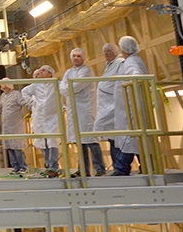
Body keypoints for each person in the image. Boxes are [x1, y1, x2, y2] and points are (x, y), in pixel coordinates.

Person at [60, 48, 105, 176]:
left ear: (83, 58)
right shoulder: (68, 72)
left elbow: (75, 87)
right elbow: (62, 88)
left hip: (85, 110)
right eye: (74, 56)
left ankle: (100, 169)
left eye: (78, 56)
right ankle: (83, 170)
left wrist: (66, 89)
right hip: (73, 110)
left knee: (91, 140)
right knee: (79, 142)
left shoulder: (87, 71)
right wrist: (67, 89)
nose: (76, 58)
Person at [110, 35, 147, 176]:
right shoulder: (131, 61)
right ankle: (146, 166)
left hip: (130, 108)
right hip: (128, 108)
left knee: (130, 139)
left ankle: (121, 168)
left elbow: (136, 74)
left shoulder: (131, 62)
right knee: (135, 140)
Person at [22, 65, 61, 175]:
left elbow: (64, 91)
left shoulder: (56, 84)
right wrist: (32, 103)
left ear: (50, 74)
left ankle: (54, 166)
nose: (41, 72)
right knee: (42, 142)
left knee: (52, 141)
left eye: (43, 71)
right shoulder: (36, 86)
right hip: (39, 118)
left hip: (52, 117)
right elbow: (24, 92)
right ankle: (48, 165)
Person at [94, 42, 124, 166]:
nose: (105, 54)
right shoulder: (109, 66)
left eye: (108, 51)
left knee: (121, 139)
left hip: (115, 106)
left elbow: (117, 83)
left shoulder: (120, 63)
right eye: (104, 52)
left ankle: (120, 166)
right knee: (112, 139)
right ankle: (117, 166)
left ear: (115, 52)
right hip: (106, 107)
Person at [0, 78, 27, 173]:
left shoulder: (16, 94)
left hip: (16, 125)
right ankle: (15, 167)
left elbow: (24, 103)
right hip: (6, 126)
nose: (3, 88)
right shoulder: (3, 96)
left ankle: (22, 167)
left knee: (17, 147)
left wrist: (34, 106)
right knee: (9, 147)